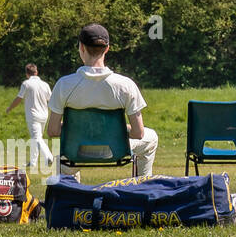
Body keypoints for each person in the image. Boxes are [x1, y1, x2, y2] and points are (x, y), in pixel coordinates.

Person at [44, 25, 158, 177]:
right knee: (152, 138)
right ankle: (141, 189)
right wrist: (114, 129)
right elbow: (138, 133)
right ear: (107, 49)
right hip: (114, 149)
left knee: (62, 158)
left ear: (81, 47)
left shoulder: (64, 84)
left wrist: (78, 127)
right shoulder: (126, 85)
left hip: (77, 149)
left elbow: (53, 131)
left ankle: (70, 196)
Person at [5, 63, 54, 172]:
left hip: (33, 115)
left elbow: (19, 98)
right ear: (37, 72)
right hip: (44, 115)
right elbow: (51, 100)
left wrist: (9, 108)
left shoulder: (26, 84)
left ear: (27, 74)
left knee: (37, 138)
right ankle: (32, 162)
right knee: (36, 137)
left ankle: (49, 156)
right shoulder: (45, 84)